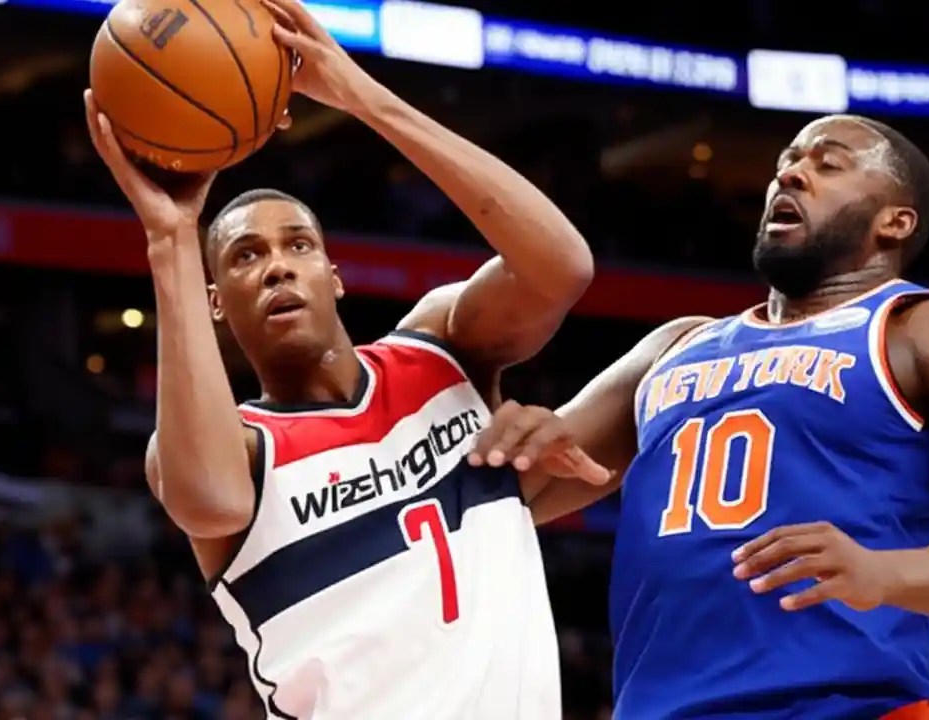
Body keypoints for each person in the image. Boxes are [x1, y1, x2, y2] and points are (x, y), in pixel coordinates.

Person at [83, 0, 600, 717]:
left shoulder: (439, 350)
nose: (276, 267)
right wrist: (171, 236)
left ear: (335, 275)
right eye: (246, 256)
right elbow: (210, 502)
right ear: (216, 304)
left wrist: (364, 95)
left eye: (299, 245)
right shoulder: (239, 448)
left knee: (678, 345)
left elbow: (563, 267)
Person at [469, 114, 929, 719]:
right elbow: (493, 504)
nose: (791, 174)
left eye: (828, 164)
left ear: (894, 221)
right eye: (786, 164)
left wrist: (882, 572)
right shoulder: (676, 345)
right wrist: (513, 438)